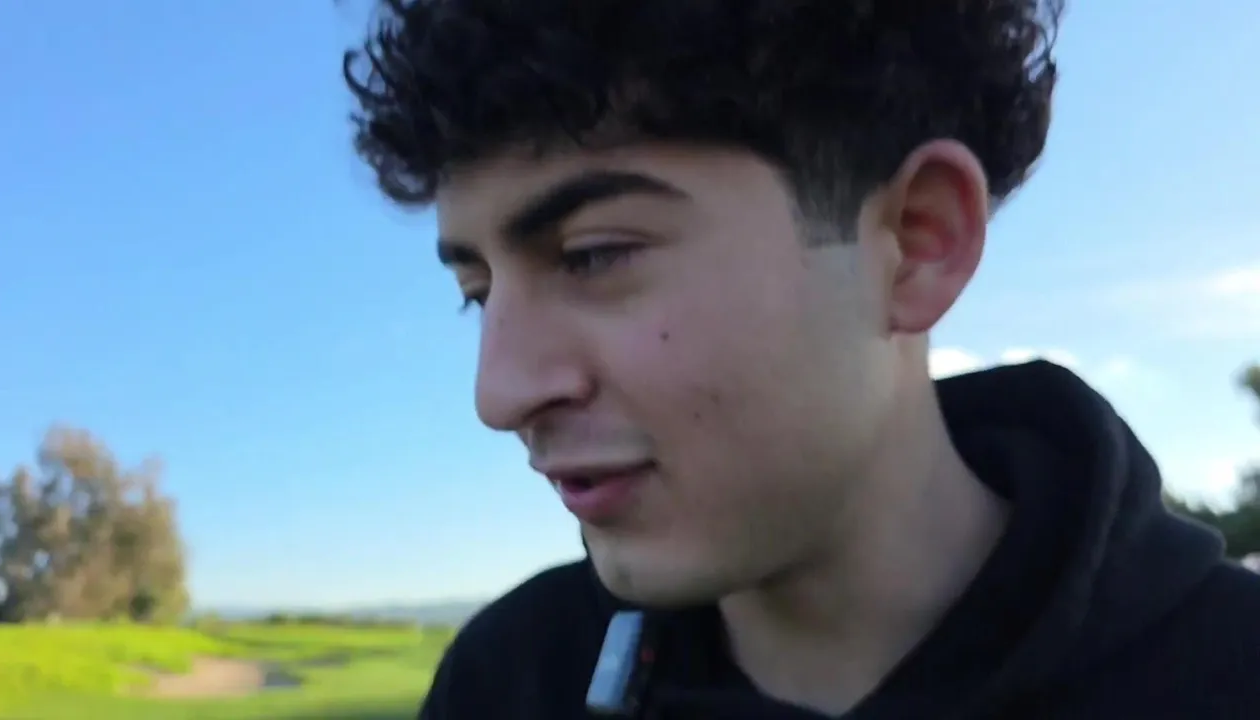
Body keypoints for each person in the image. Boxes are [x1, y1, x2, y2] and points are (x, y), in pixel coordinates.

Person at [342, 0, 1260, 717]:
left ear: (916, 241)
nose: (500, 393)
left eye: (594, 256)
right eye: (478, 293)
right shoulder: (510, 681)